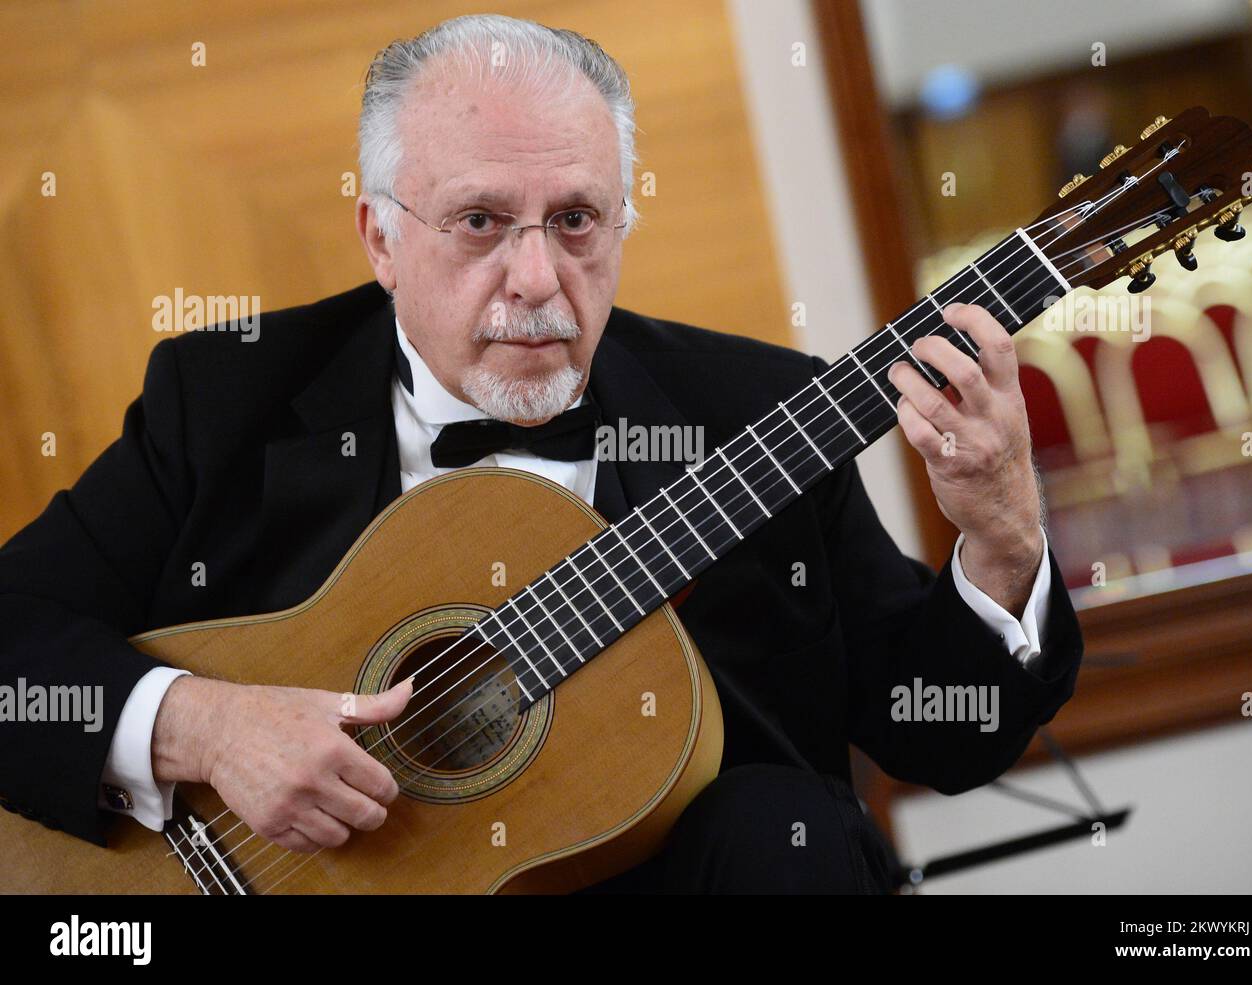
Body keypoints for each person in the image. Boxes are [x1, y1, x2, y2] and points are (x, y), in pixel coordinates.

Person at [0, 14, 1082, 893]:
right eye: (478, 221)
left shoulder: (755, 413)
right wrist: (202, 725)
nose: (533, 277)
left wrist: (1000, 537)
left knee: (784, 825)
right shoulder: (224, 397)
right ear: (379, 236)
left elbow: (941, 734)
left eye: (575, 220)